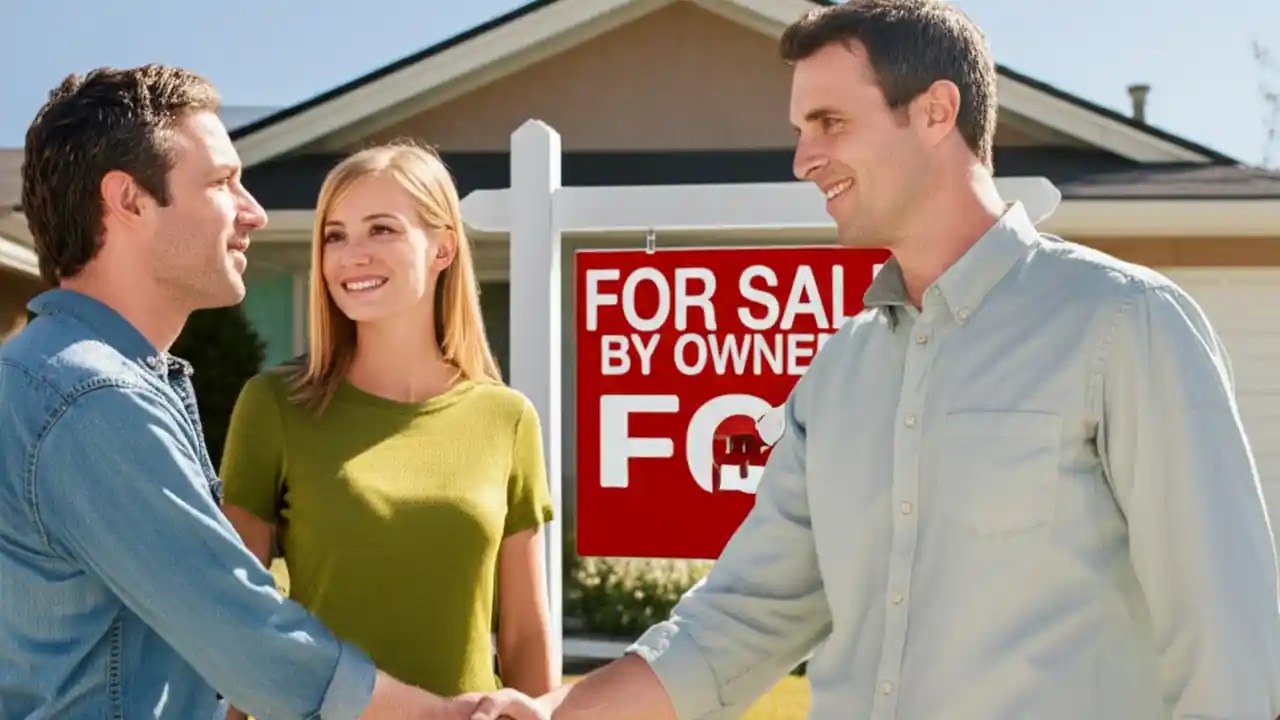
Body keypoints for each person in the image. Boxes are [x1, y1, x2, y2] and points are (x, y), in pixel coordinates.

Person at [475, 1, 1280, 719]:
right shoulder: (837, 377)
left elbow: (1227, 641)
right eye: (801, 129)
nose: (803, 158)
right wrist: (554, 716)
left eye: (830, 123)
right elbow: (734, 622)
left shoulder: (1124, 324)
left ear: (935, 111)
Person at [0, 64, 546, 720]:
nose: (254, 211)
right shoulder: (93, 401)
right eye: (221, 182)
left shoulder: (52, 381)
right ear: (130, 200)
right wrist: (450, 715)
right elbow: (244, 638)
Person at [217, 140, 558, 720]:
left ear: (443, 247)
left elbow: (525, 633)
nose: (352, 256)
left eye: (381, 230)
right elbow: (237, 618)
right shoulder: (274, 406)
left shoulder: (508, 419)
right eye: (335, 236)